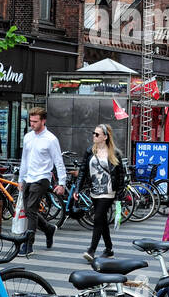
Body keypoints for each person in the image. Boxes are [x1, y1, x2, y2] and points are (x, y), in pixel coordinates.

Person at [18, 106, 66, 256]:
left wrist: (62, 183)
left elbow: (58, 161)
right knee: (28, 211)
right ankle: (48, 229)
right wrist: (20, 179)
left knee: (31, 209)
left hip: (42, 178)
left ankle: (28, 244)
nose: (32, 124)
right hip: (28, 178)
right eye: (30, 121)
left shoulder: (51, 139)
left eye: (35, 121)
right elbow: (24, 160)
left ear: (43, 121)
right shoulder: (27, 137)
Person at [75, 124, 126, 264]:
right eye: (94, 133)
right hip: (94, 192)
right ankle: (109, 249)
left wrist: (120, 196)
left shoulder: (114, 153)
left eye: (97, 134)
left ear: (105, 137)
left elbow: (121, 175)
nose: (94, 136)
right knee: (102, 220)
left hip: (108, 191)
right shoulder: (89, 151)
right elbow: (83, 171)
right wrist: (77, 189)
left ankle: (91, 250)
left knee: (98, 218)